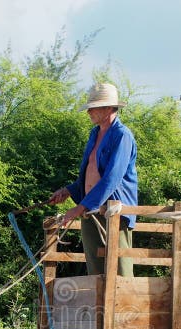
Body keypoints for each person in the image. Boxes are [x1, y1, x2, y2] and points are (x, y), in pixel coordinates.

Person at [49, 82, 138, 276]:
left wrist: (79, 208)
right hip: (91, 209)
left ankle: (126, 307)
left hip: (114, 212)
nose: (89, 112)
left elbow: (112, 179)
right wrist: (69, 191)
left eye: (93, 107)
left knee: (120, 271)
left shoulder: (122, 136)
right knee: (95, 271)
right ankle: (100, 307)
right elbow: (90, 174)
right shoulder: (94, 133)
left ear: (108, 108)